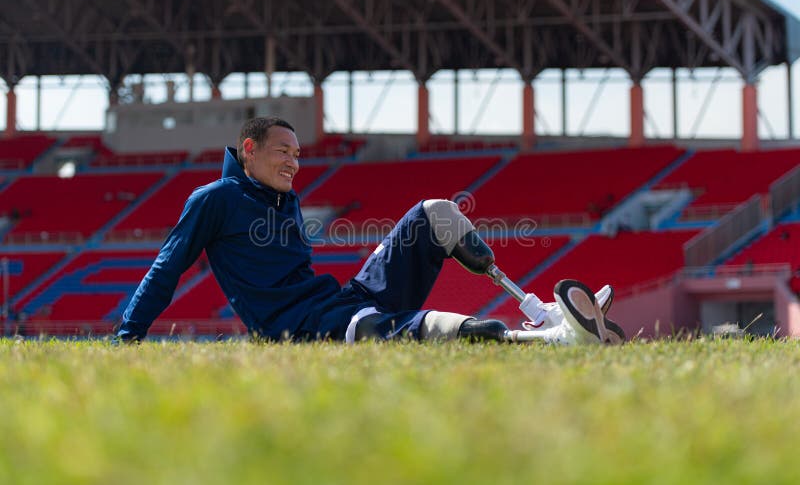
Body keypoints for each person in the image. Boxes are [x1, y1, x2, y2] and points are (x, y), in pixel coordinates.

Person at [117, 117, 624, 345]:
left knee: (436, 213)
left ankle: (536, 309)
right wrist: (127, 337)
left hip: (339, 302)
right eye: (282, 152)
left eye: (297, 154)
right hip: (304, 331)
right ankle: (553, 343)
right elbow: (167, 267)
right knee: (431, 329)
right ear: (248, 149)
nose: (294, 163)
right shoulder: (214, 200)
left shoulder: (284, 199)